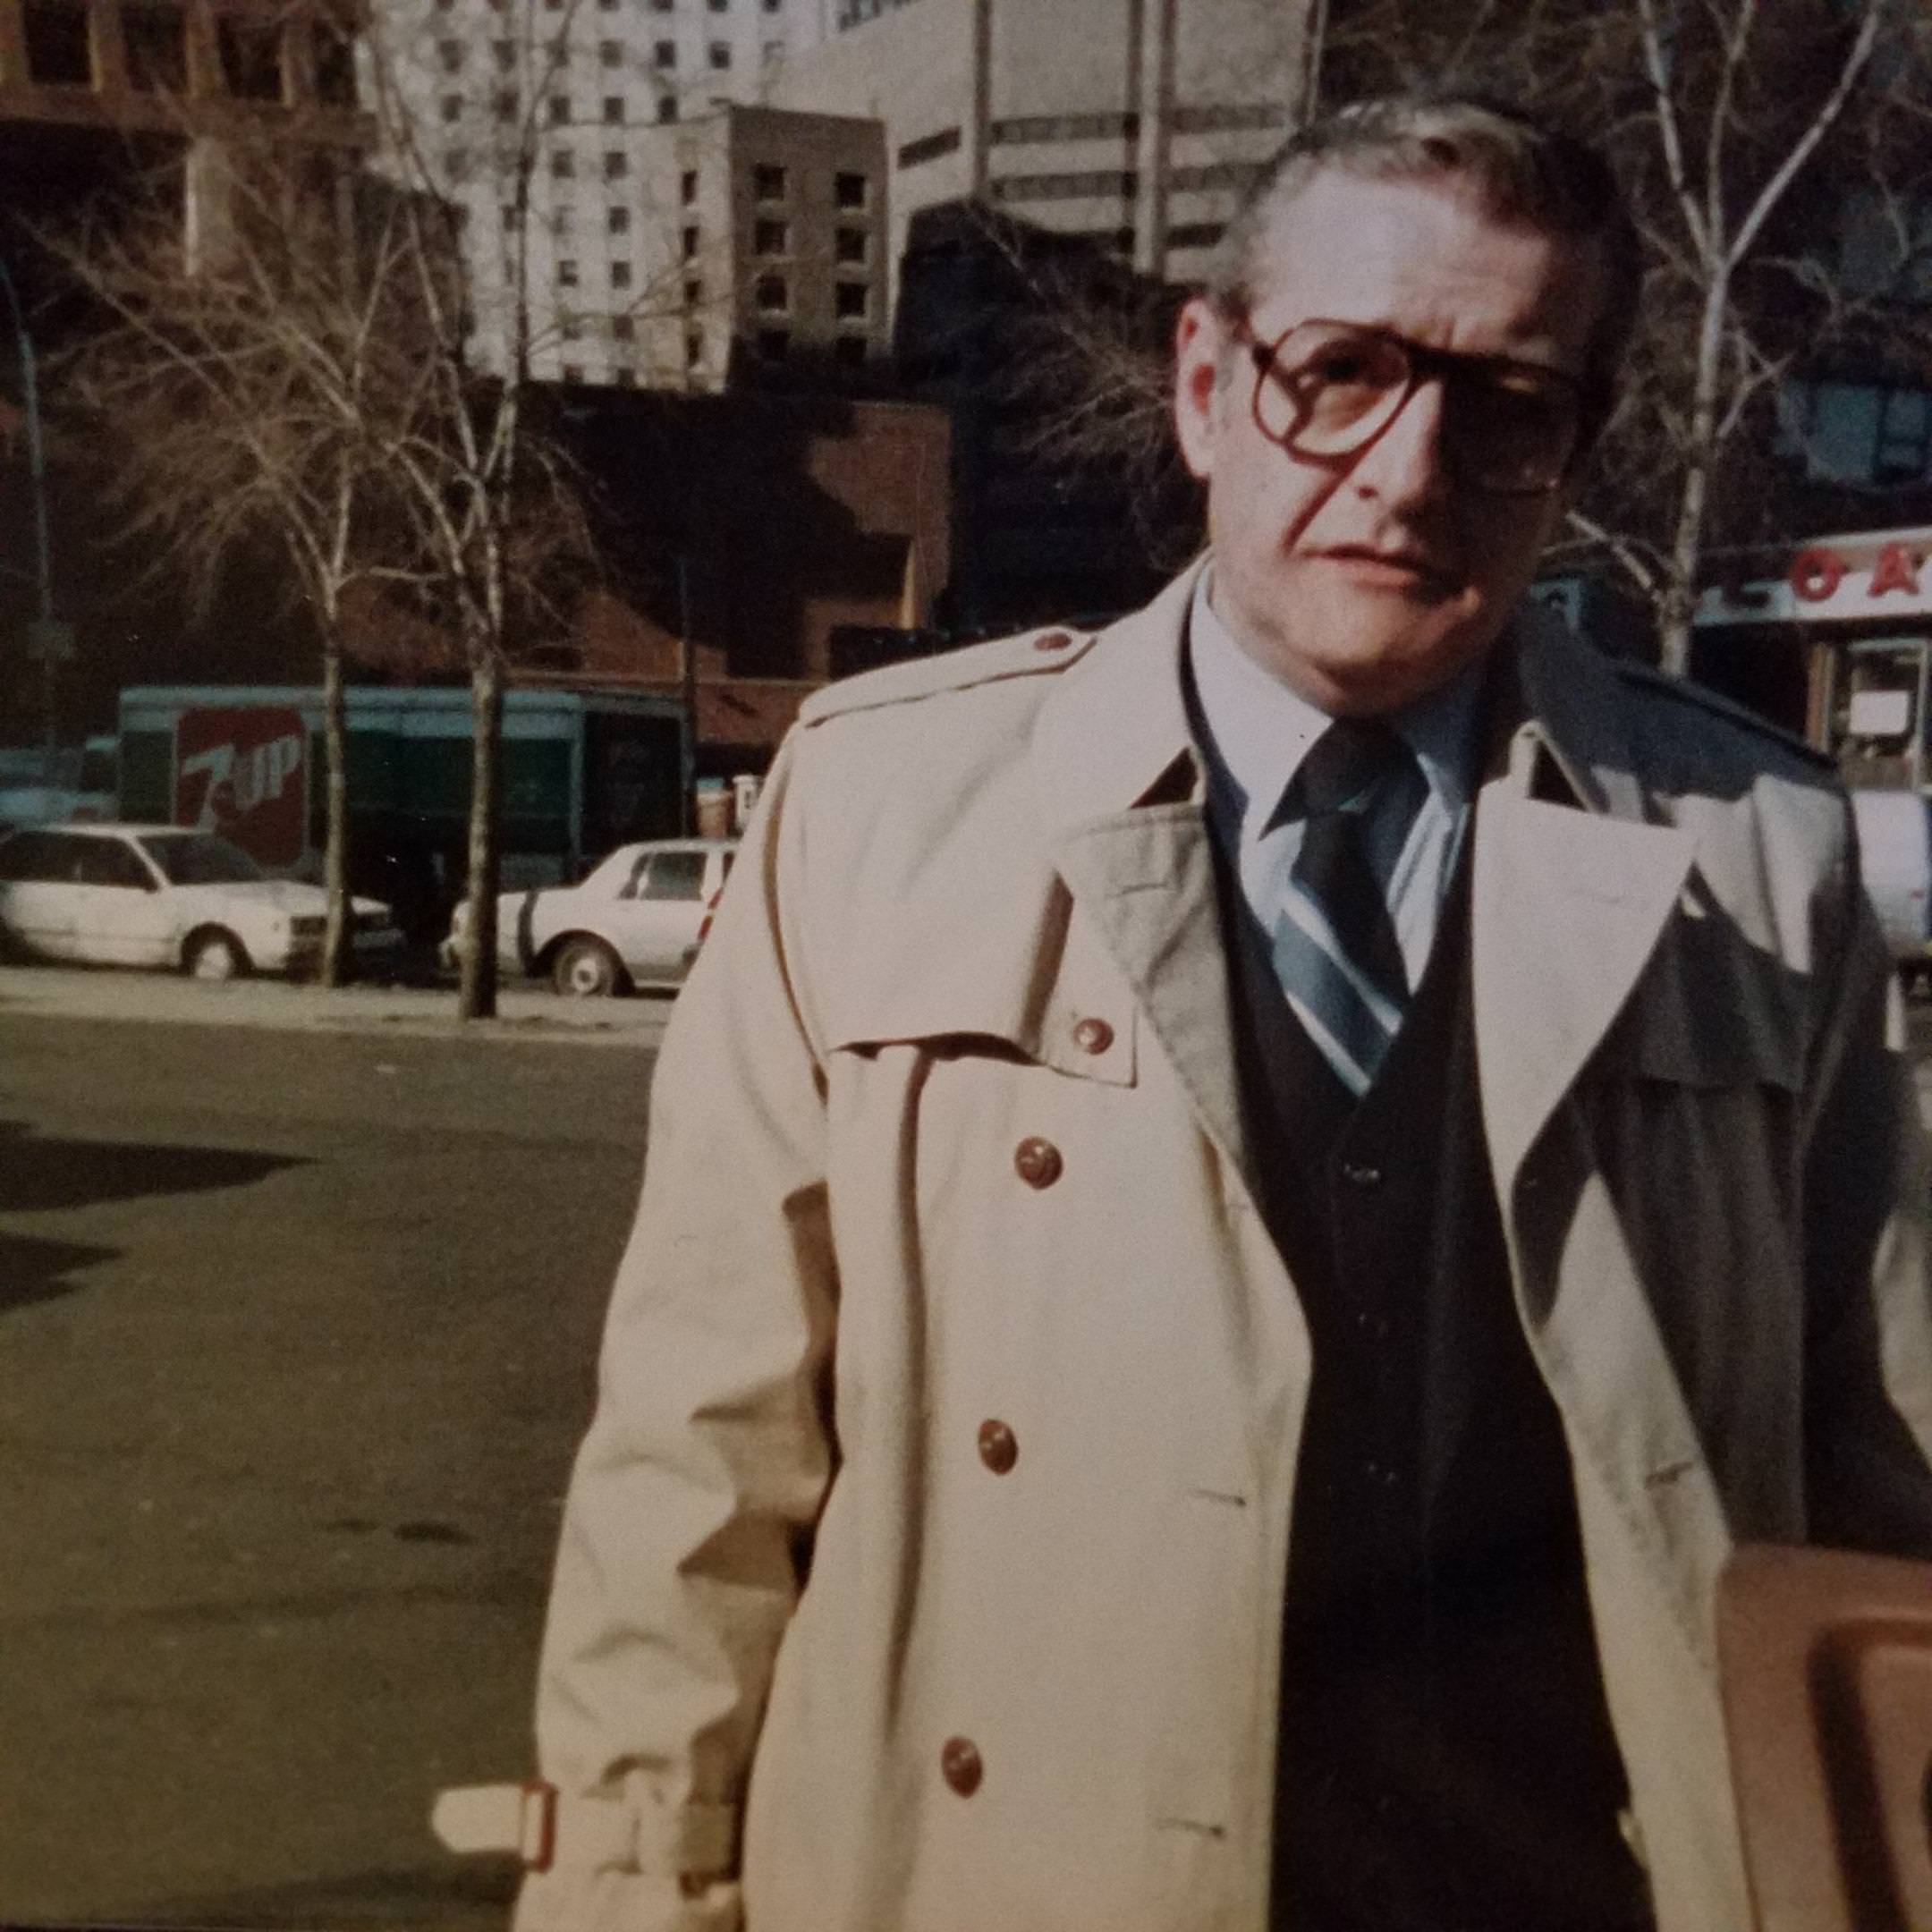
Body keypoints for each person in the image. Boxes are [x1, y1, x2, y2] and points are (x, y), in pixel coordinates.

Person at [506, 97, 1932, 1932]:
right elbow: (697, 1472)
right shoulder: (880, 812)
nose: (1409, 472)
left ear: (1574, 451)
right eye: (1339, 371)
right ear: (1204, 386)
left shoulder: (1753, 854)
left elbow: (1868, 1473)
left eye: (1506, 405)